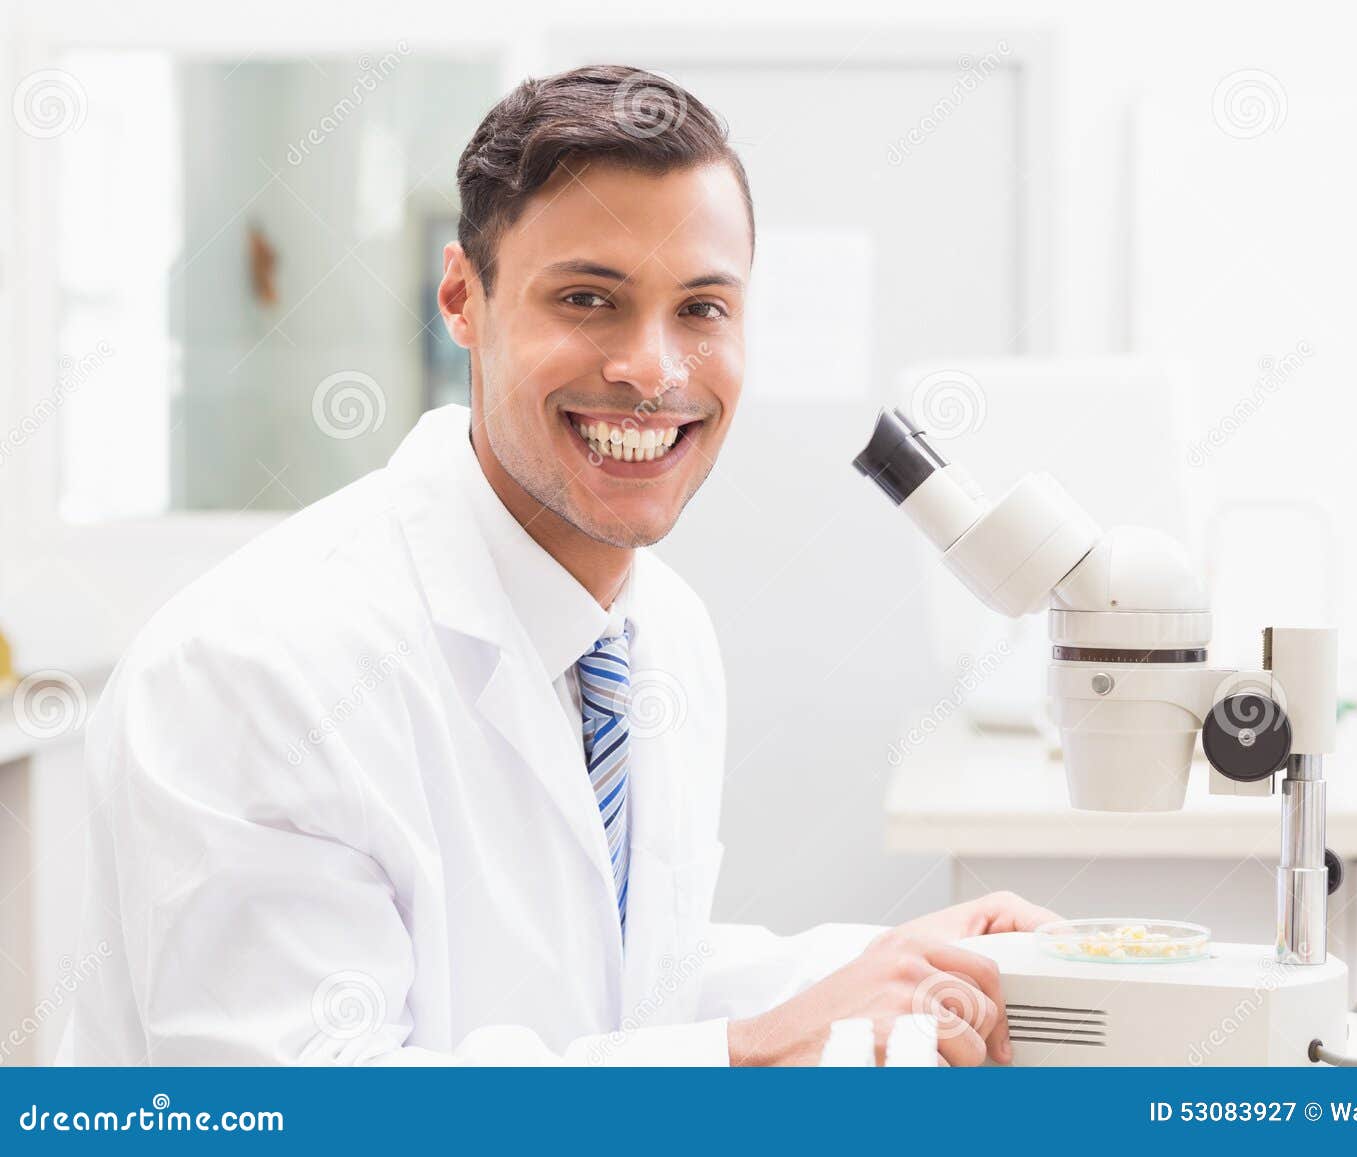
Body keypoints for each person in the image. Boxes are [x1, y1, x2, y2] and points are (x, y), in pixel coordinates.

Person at [61, 65, 1059, 1067]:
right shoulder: (257, 667)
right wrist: (752, 1049)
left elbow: (623, 986)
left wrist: (889, 969)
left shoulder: (657, 630)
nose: (654, 370)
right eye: (589, 298)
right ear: (462, 298)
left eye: (702, 309)